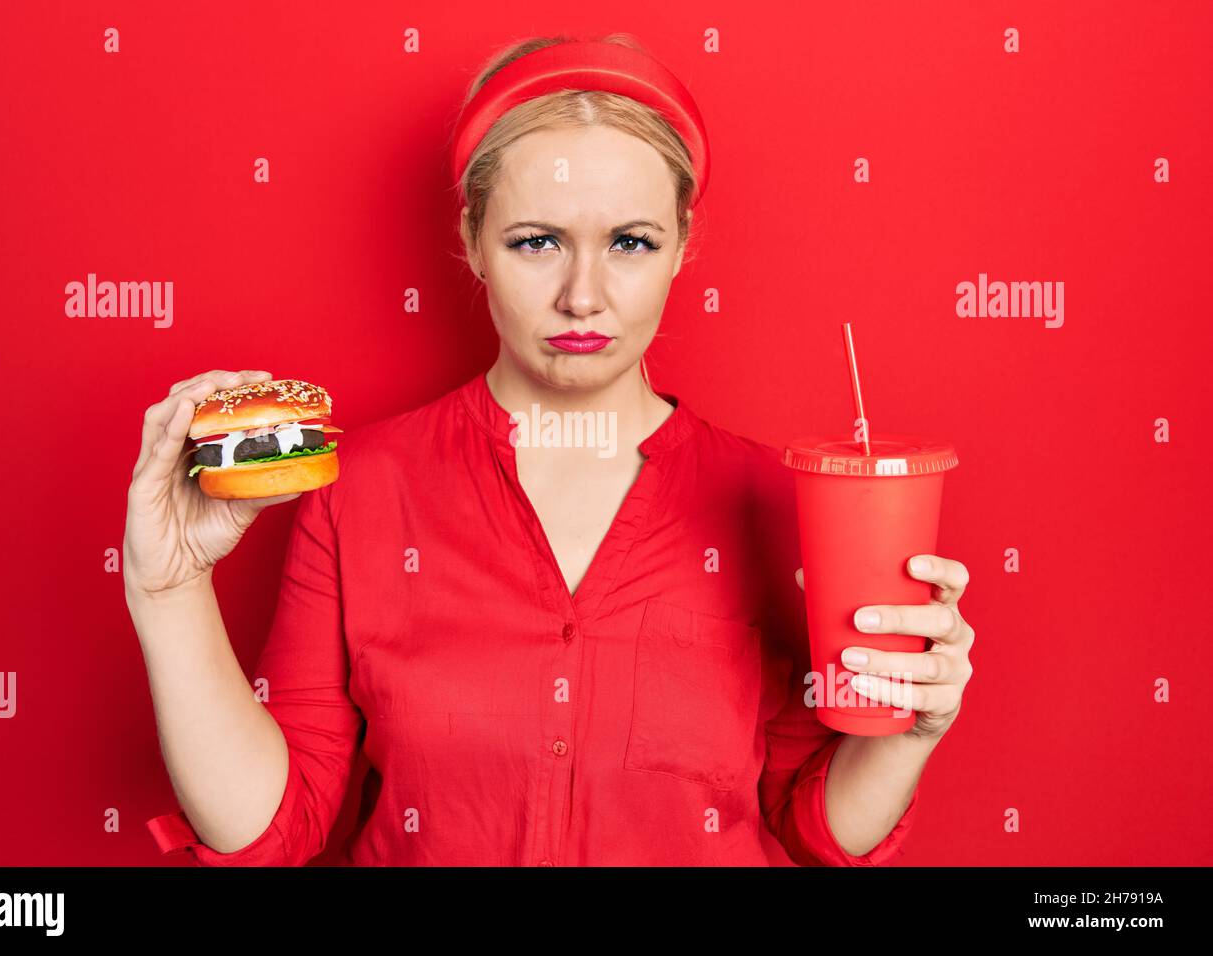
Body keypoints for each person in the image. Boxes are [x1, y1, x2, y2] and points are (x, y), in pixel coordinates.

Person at [125, 33, 975, 867]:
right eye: (537, 241)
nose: (582, 295)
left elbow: (810, 826)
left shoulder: (773, 497)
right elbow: (271, 828)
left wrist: (912, 732)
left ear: (683, 242)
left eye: (630, 243)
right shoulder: (361, 490)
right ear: (472, 240)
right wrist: (170, 592)